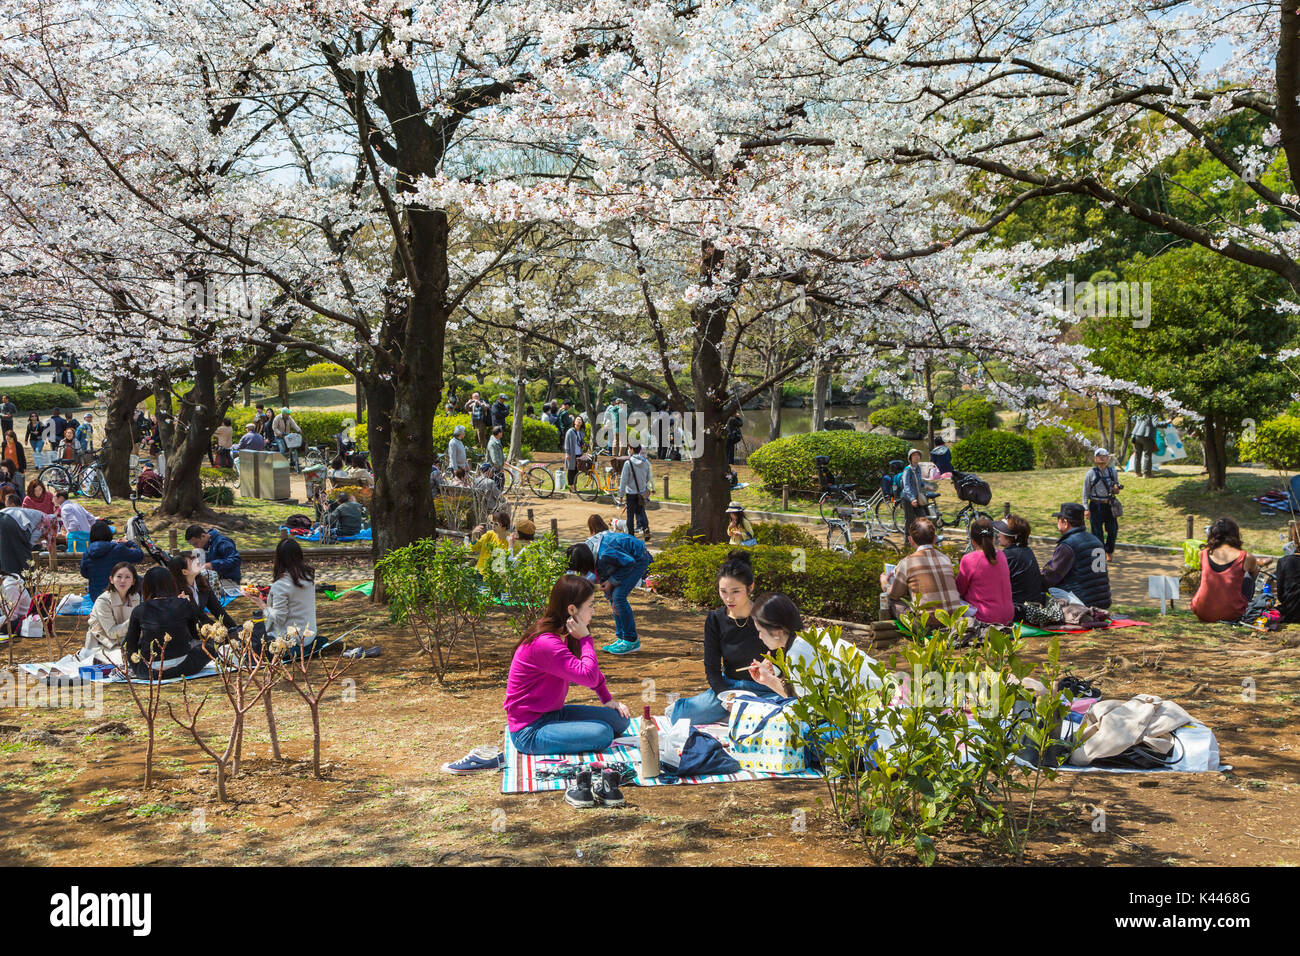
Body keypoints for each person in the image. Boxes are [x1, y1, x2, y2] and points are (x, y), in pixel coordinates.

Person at [503, 573, 631, 758]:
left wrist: (607, 699)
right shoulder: (546, 643)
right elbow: (587, 676)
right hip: (530, 731)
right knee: (602, 733)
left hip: (554, 714)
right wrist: (586, 639)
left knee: (620, 720)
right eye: (590, 605)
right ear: (572, 609)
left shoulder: (562, 635)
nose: (593, 611)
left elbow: (591, 673)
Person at [669, 551, 779, 724]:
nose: (729, 598)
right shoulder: (715, 619)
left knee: (783, 714)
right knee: (680, 715)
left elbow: (785, 657)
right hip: (729, 688)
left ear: (750, 588)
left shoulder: (767, 615)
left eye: (736, 591)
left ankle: (740, 716)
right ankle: (735, 714)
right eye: (723, 591)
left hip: (765, 689)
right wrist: (726, 698)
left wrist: (774, 668)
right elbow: (712, 669)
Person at [567, 517, 654, 655]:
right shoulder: (585, 549)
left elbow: (629, 563)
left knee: (618, 597)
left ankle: (631, 640)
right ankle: (621, 637)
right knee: (612, 598)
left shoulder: (605, 555)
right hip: (622, 560)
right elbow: (598, 577)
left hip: (637, 558)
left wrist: (612, 581)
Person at [123, 566, 211, 680]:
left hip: (149, 669)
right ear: (171, 584)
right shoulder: (183, 604)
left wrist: (135, 666)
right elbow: (196, 635)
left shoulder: (139, 610)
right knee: (210, 647)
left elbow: (129, 644)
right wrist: (188, 605)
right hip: (183, 665)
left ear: (145, 587)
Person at [879, 517, 965, 629]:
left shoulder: (907, 562)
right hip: (953, 620)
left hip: (926, 623)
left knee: (893, 601)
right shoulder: (946, 559)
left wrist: (885, 584)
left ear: (910, 540)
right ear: (935, 539)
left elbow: (895, 594)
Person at [1190, 518, 1271, 623]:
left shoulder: (1203, 554)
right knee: (1248, 576)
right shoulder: (1245, 557)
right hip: (1230, 614)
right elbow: (1254, 573)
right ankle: (1242, 604)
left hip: (1201, 611)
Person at [746, 593, 825, 698]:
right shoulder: (811, 637)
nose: (760, 637)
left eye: (760, 631)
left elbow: (807, 707)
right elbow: (799, 697)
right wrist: (768, 679)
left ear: (777, 631)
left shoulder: (798, 655)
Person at [248, 537, 318, 649]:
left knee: (245, 634)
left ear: (278, 559)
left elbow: (279, 618)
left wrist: (262, 605)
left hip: (290, 639)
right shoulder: (308, 577)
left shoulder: (281, 585)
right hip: (309, 635)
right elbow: (294, 602)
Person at [1040, 502, 1111, 608]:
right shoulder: (1096, 540)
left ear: (1065, 522)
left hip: (1083, 602)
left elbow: (1050, 576)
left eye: (1058, 519)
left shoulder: (1068, 544)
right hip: (1102, 601)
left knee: (1041, 592)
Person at [955, 517, 1014, 625]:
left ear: (972, 541)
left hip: (984, 617)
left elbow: (959, 590)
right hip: (1008, 615)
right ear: (993, 538)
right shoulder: (1001, 555)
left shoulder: (969, 559)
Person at [83, 562, 140, 664]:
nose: (123, 581)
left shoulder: (135, 597)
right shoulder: (103, 601)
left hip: (125, 643)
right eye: (119, 576)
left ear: (133, 581)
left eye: (127, 577)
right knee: (126, 661)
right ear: (111, 579)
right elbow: (111, 633)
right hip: (102, 646)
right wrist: (135, 619)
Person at [168, 553, 238, 634]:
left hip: (205, 628)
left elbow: (217, 609)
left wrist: (234, 628)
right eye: (192, 562)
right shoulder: (176, 592)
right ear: (185, 572)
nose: (197, 562)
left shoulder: (202, 582)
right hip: (186, 634)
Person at [80, 520, 145, 601]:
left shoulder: (87, 552)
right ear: (108, 533)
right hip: (118, 594)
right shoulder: (118, 549)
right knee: (139, 580)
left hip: (96, 597)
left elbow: (84, 573)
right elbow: (140, 556)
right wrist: (129, 543)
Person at [994, 515, 1045, 610]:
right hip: (1033, 605)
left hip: (1018, 608)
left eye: (1001, 531)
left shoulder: (1007, 555)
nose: (998, 534)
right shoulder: (1027, 550)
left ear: (1011, 537)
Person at [1082, 448, 1122, 560]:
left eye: (1105, 455)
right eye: (1099, 455)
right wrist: (1086, 508)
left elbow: (1116, 490)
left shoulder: (1112, 472)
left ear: (1108, 459)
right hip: (1095, 505)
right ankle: (1100, 554)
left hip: (1109, 504)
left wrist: (1116, 489)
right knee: (1096, 532)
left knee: (1113, 530)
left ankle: (1109, 550)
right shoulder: (1090, 474)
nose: (1102, 457)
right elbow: (1085, 492)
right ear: (1095, 459)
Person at [185, 525, 242, 589]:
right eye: (192, 545)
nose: (195, 547)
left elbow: (236, 560)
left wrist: (212, 565)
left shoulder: (223, 542)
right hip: (213, 580)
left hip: (229, 581)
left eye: (196, 544)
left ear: (203, 536)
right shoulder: (204, 545)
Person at [619, 442, 653, 541]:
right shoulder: (646, 462)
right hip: (641, 493)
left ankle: (631, 536)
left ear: (632, 450)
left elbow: (623, 480)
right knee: (641, 513)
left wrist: (621, 495)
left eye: (629, 448)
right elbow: (648, 477)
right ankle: (646, 529)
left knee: (630, 517)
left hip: (630, 493)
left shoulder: (628, 463)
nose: (628, 450)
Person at [471, 508, 512, 576]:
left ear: (504, 525)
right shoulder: (489, 535)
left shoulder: (510, 540)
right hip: (481, 572)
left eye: (496, 524)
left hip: (497, 577)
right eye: (492, 523)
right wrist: (473, 534)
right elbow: (475, 547)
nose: (493, 526)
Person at [899, 448, 929, 532]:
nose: (917, 457)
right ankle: (907, 541)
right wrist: (912, 499)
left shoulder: (919, 468)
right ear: (910, 458)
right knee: (909, 521)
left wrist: (924, 493)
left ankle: (921, 538)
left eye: (918, 455)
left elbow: (920, 483)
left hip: (918, 498)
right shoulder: (907, 470)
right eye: (914, 455)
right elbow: (906, 485)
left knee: (923, 518)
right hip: (908, 499)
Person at [1130, 413, 1158, 478]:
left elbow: (1133, 419)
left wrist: (1140, 424)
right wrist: (1166, 423)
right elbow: (1155, 424)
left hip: (1136, 435)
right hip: (1146, 435)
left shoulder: (1140, 410)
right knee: (1147, 455)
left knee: (1137, 455)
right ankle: (1147, 474)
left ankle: (1137, 473)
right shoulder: (1153, 412)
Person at [563, 415, 586, 490]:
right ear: (574, 422)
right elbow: (566, 443)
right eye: (577, 420)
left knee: (576, 470)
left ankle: (574, 485)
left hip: (579, 453)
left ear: (582, 423)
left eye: (580, 420)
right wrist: (567, 453)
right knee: (571, 470)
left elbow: (581, 442)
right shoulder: (570, 431)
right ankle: (571, 486)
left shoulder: (581, 432)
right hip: (571, 454)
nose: (579, 421)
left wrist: (583, 444)